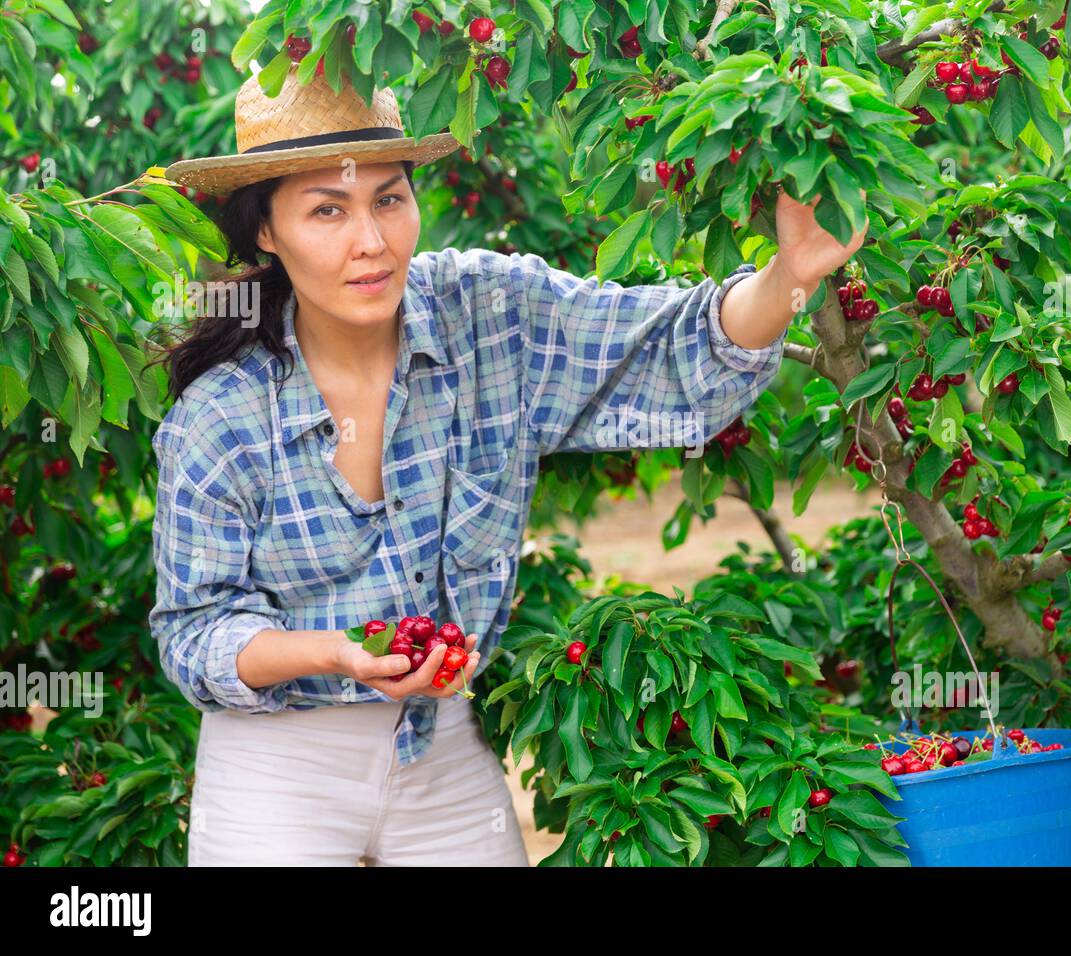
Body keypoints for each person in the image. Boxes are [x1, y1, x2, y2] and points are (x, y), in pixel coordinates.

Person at [153, 70, 867, 866]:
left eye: (390, 199)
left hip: (439, 747)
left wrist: (790, 275)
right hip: (276, 767)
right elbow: (196, 632)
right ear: (266, 233)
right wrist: (338, 651)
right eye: (328, 210)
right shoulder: (222, 415)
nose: (372, 241)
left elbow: (671, 351)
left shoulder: (490, 315)